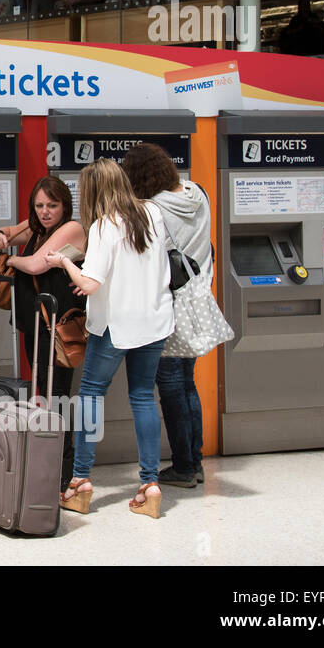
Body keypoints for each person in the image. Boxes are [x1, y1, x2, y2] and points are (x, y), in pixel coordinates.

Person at [45, 157, 174, 520]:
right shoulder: (151, 214)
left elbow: (90, 284)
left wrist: (64, 263)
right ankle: (150, 486)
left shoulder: (103, 226)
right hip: (154, 320)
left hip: (116, 325)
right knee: (143, 397)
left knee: (89, 397)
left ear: (93, 191)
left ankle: (79, 483)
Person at [122, 142, 211, 489]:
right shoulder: (197, 193)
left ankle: (185, 466)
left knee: (171, 386)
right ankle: (195, 460)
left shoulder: (153, 209)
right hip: (197, 299)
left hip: (168, 305)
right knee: (188, 385)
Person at [0, 176, 88, 490]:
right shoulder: (37, 227)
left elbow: (35, 264)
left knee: (57, 397)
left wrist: (9, 259)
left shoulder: (72, 229)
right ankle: (44, 464)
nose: (45, 212)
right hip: (36, 324)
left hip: (58, 327)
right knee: (42, 398)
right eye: (40, 205)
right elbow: (8, 232)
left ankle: (64, 470)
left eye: (52, 205)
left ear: (65, 206)